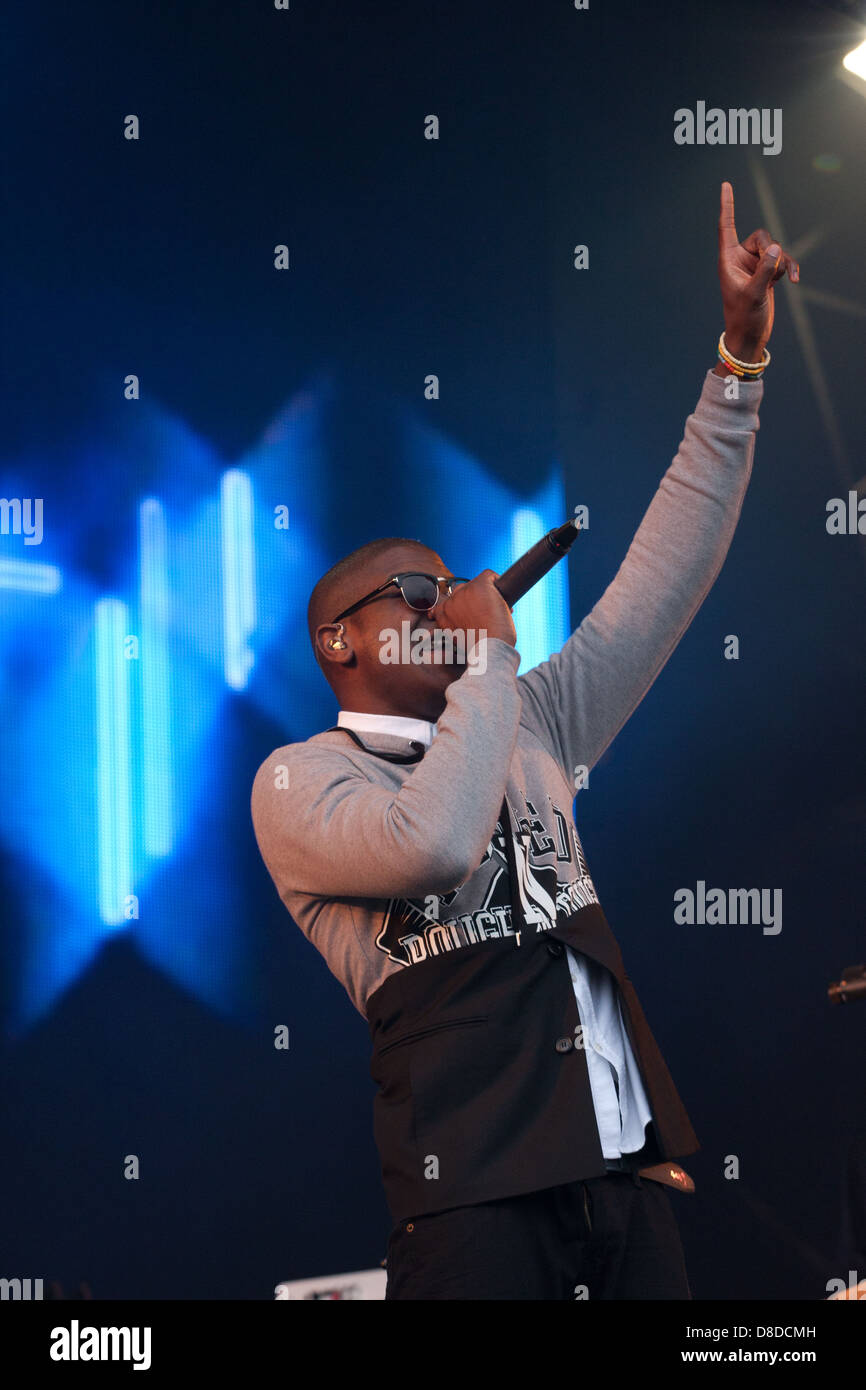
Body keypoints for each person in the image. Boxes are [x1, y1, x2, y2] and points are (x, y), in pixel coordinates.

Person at [251, 183, 798, 1300]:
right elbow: (432, 844)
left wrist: (734, 368)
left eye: (451, 582)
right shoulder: (300, 780)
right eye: (417, 591)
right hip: (474, 1204)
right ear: (336, 642)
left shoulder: (530, 716)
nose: (448, 598)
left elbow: (662, 574)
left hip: (619, 1176)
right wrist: (489, 662)